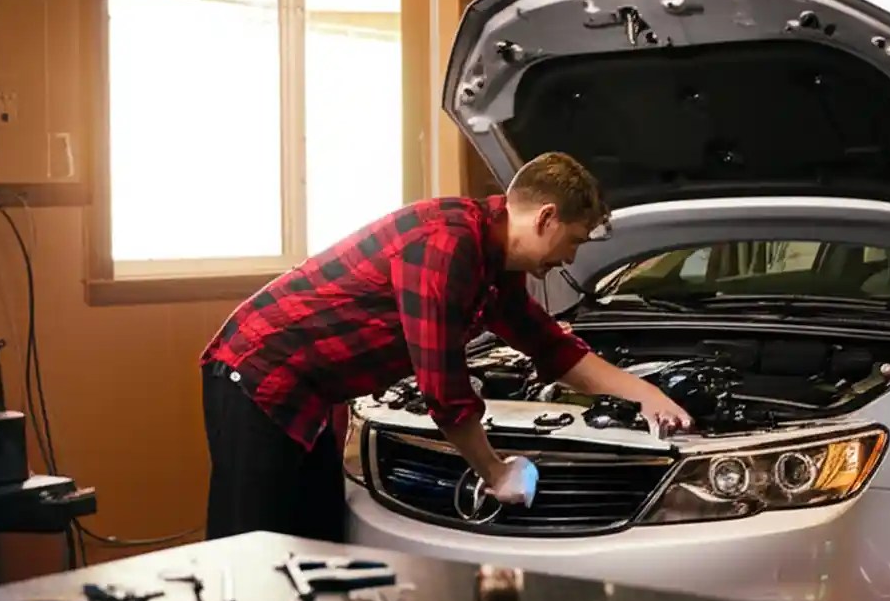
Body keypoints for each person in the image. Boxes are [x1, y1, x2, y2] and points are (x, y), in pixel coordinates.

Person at [199, 152, 693, 543]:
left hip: (314, 394)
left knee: (312, 546)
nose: (570, 258)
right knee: (251, 553)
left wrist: (646, 395)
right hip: (257, 374)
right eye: (575, 241)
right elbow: (442, 386)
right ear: (546, 218)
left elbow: (553, 349)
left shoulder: (498, 269)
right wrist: (494, 471)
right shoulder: (447, 243)